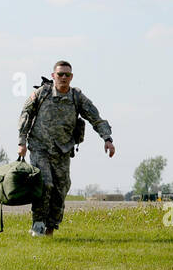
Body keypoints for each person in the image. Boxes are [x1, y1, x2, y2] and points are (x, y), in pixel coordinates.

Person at [18, 60, 114, 236]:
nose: (63, 77)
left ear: (71, 77)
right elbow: (26, 115)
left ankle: (50, 228)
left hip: (62, 151)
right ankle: (38, 223)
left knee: (61, 188)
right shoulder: (42, 93)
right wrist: (21, 142)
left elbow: (96, 118)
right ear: (53, 76)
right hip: (40, 148)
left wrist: (107, 138)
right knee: (45, 184)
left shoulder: (77, 98)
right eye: (60, 74)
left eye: (67, 75)